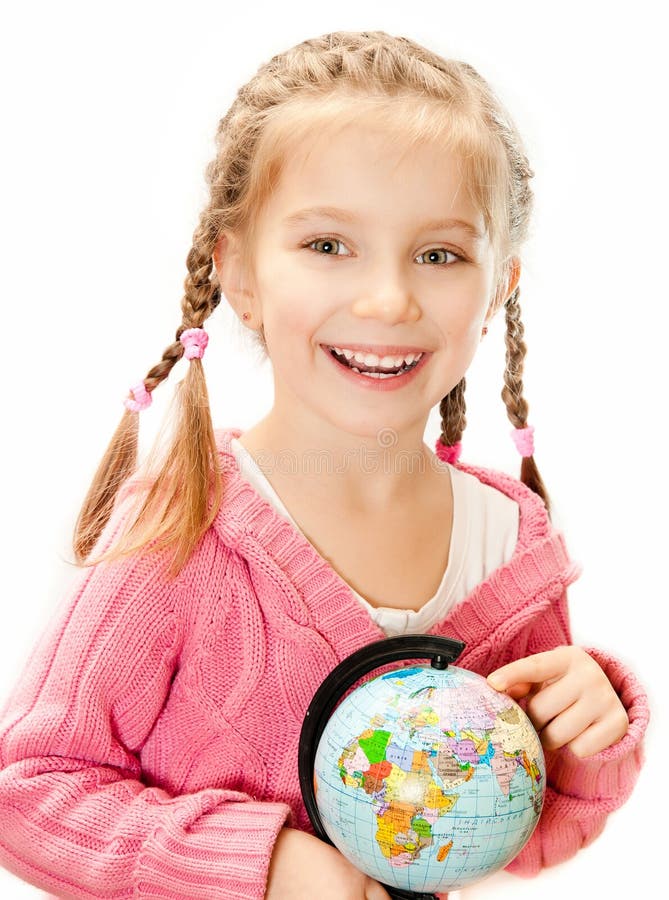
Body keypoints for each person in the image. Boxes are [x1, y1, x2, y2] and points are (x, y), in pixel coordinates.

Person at [0, 29, 649, 900]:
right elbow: (27, 793)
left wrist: (579, 746)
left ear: (499, 286)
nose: (388, 298)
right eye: (327, 245)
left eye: (440, 255)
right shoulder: (183, 524)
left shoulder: (512, 542)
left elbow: (511, 840)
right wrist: (262, 865)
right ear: (239, 273)